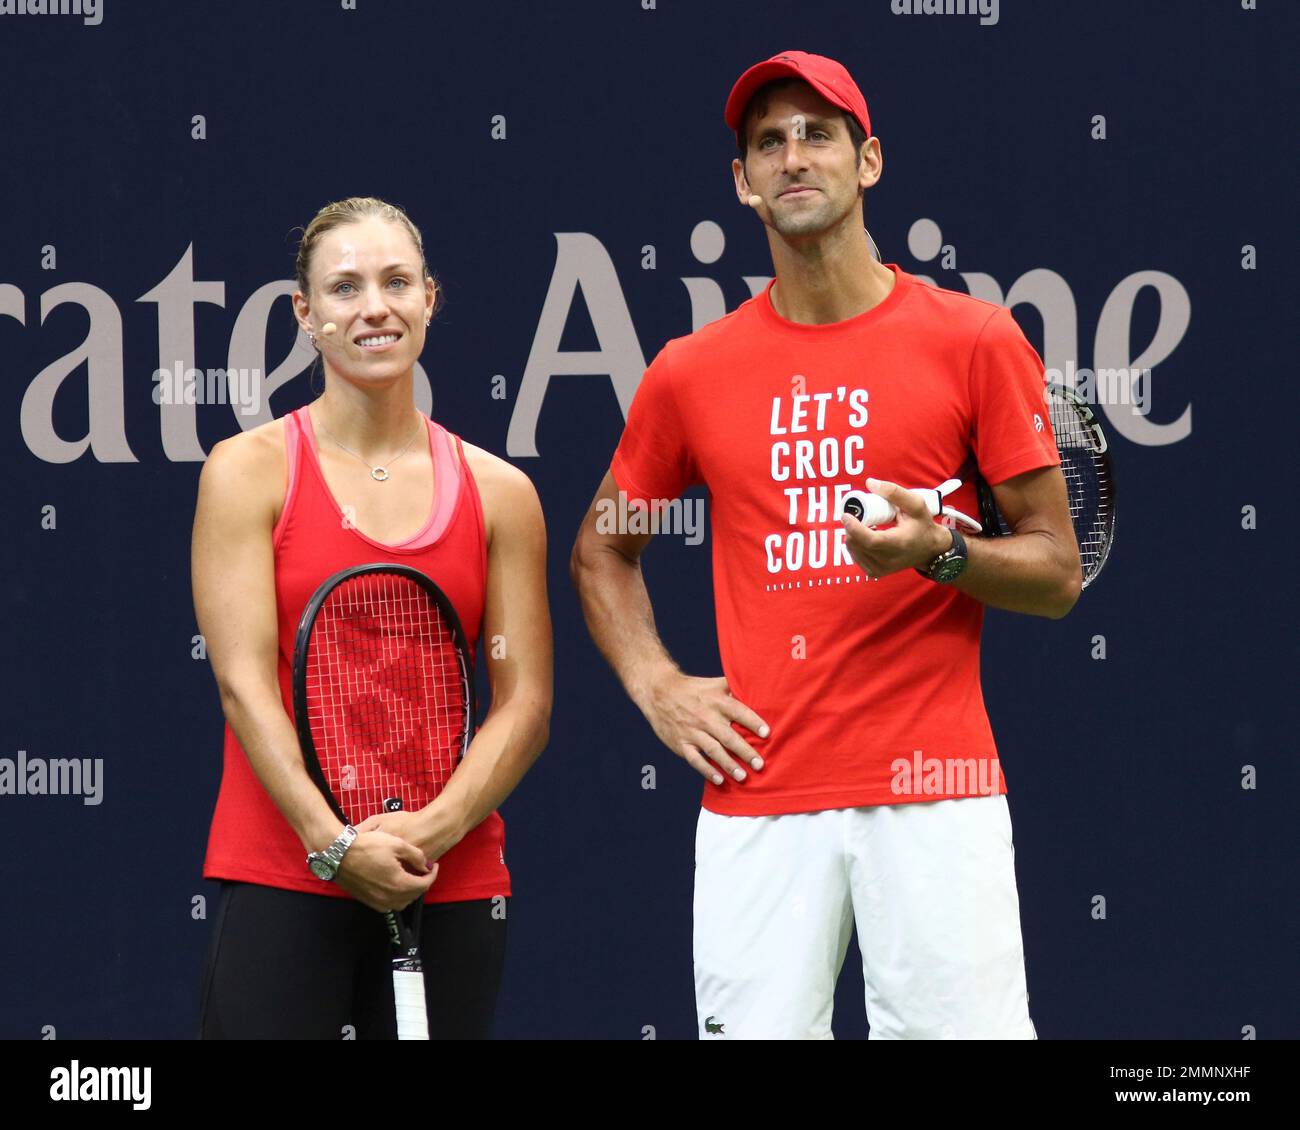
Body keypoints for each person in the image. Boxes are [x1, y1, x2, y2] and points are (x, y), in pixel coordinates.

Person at [570, 52, 1080, 1040]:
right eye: (768, 141)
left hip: (936, 794)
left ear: (869, 161)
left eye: (816, 133)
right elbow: (602, 549)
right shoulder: (690, 372)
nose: (792, 155)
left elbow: (1055, 572)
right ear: (741, 181)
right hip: (758, 799)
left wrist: (937, 552)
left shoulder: (972, 339)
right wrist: (656, 682)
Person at [192, 196, 551, 1039]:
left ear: (431, 297)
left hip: (449, 883)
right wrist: (333, 845)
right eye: (345, 288)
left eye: (395, 282)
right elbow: (243, 683)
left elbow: (526, 702)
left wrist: (432, 829)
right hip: (285, 874)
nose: (374, 308)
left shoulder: (501, 492)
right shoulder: (245, 473)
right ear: (305, 315)